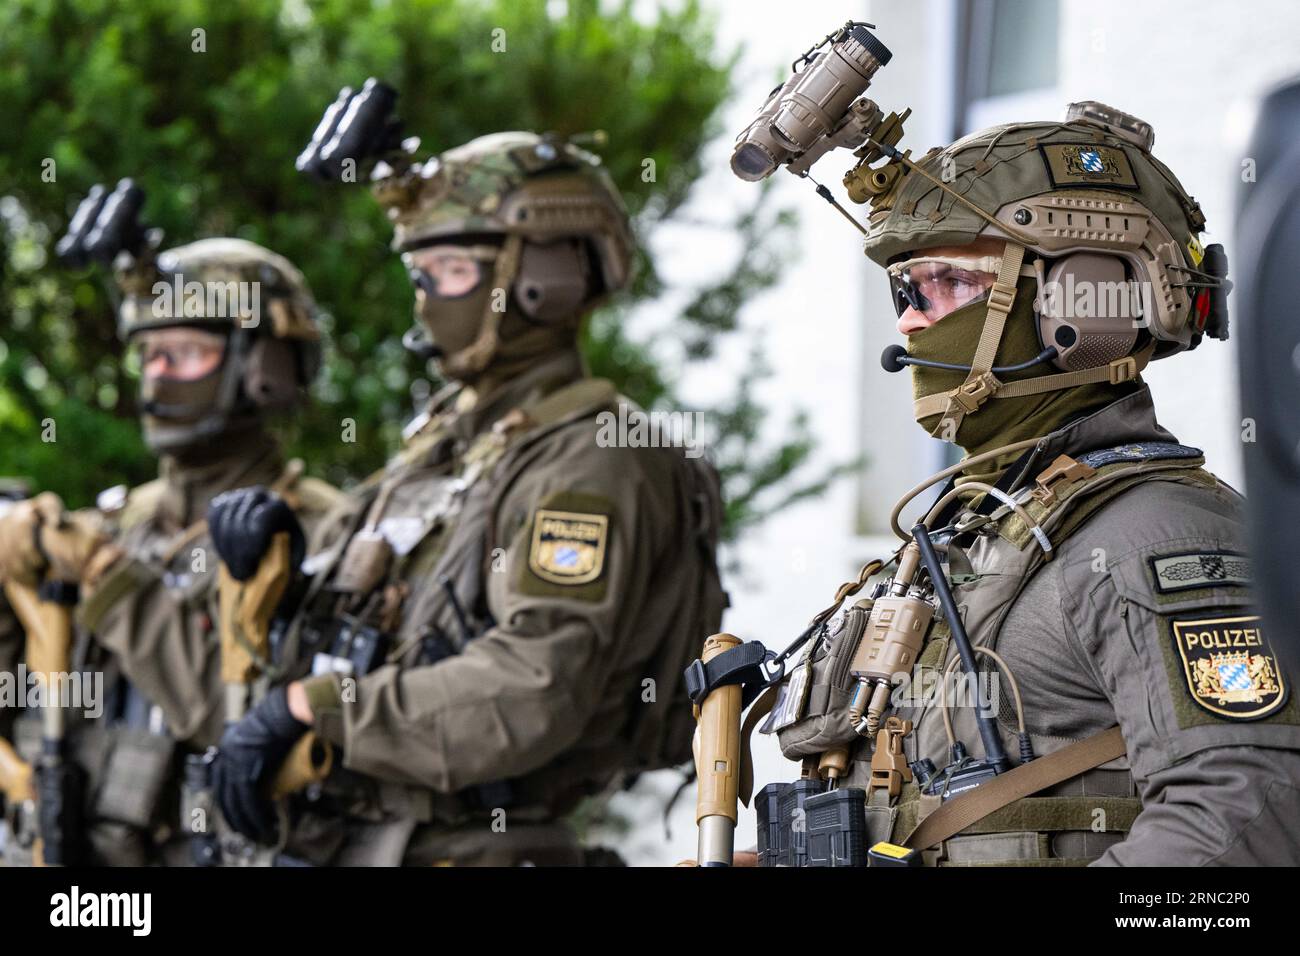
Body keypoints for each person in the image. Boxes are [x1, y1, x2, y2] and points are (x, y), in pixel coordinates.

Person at [752, 100, 1300, 865]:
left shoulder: (1160, 540)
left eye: (943, 281)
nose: (910, 321)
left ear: (1083, 302)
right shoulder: (982, 528)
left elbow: (1244, 823)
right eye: (903, 289)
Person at [207, 131, 727, 866]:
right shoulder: (456, 439)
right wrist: (276, 567)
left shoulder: (591, 455)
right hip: (365, 839)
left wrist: (314, 710)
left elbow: (532, 687)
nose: (424, 303)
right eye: (419, 275)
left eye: (450, 271)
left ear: (546, 275)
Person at [0, 235, 344, 865]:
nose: (157, 376)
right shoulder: (117, 520)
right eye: (149, 355)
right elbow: (18, 685)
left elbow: (242, 721)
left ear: (263, 368)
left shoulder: (319, 531)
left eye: (184, 354)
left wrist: (107, 576)